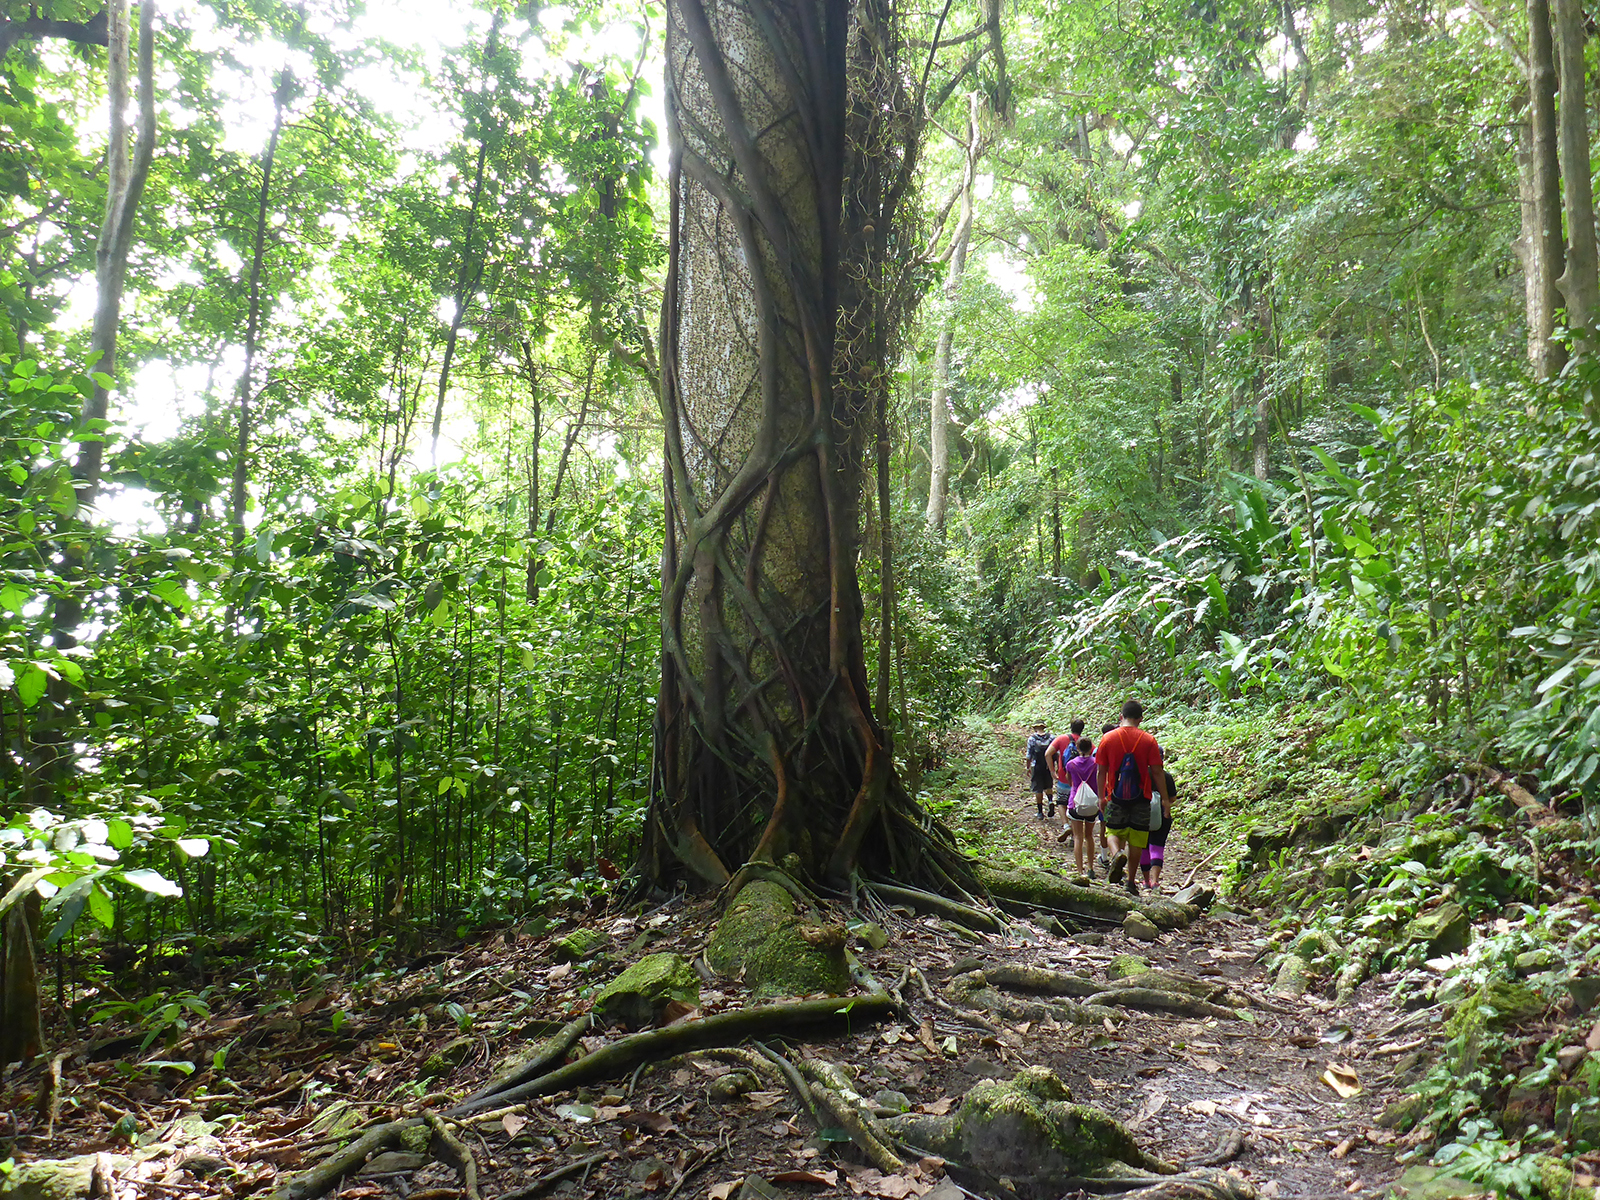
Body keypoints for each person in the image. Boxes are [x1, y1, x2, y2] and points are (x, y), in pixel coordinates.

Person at [1095, 699, 1169, 897]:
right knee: (1137, 838)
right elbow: (1157, 772)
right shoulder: (1149, 740)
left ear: (1121, 716)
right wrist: (1164, 799)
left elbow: (1101, 770)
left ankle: (1117, 854)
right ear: (1140, 719)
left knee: (1112, 830)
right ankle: (1130, 881)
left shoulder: (1108, 739)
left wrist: (1101, 797)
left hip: (1115, 795)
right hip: (1141, 797)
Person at [1056, 737, 1099, 877]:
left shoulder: (1071, 764)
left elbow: (1070, 782)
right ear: (1090, 748)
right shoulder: (1096, 764)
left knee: (1078, 837)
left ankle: (1080, 870)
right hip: (1092, 804)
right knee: (1089, 836)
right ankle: (1091, 868)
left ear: (1078, 748)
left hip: (1075, 803)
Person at [1140, 767, 1177, 892]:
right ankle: (1155, 881)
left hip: (1142, 814)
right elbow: (1172, 798)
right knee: (1157, 846)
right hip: (1162, 815)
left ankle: (1146, 881)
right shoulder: (1166, 776)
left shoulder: (1141, 774)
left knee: (1143, 847)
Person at [1044, 723, 1083, 829]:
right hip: (1079, 781)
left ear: (1071, 728)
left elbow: (1047, 754)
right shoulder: (1085, 742)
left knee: (1061, 802)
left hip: (1063, 777)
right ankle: (1074, 831)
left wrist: (1052, 771)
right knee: (1075, 805)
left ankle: (1066, 825)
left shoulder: (1061, 738)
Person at [1024, 722, 1055, 820]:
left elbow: (1029, 755)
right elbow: (1056, 753)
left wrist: (1028, 767)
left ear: (1035, 728)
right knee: (1049, 786)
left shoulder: (1032, 739)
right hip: (1048, 766)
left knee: (1038, 789)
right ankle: (1050, 801)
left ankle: (1040, 812)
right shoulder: (1051, 738)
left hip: (1036, 766)